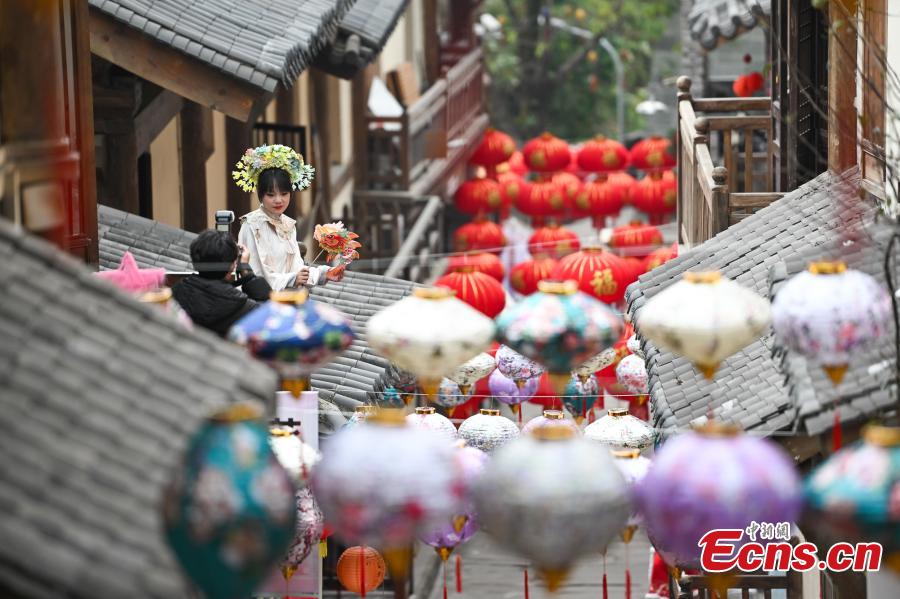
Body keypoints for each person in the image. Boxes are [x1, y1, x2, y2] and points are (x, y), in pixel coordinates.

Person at [234, 144, 344, 291]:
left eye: (284, 193)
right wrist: (292, 279)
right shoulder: (252, 225)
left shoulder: (287, 224)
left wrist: (324, 273)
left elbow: (297, 268)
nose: (278, 200)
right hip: (263, 303)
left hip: (289, 297)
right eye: (271, 195)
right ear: (260, 195)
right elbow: (257, 273)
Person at [172, 229, 271, 337]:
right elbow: (271, 314)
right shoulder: (243, 307)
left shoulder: (175, 295)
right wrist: (247, 273)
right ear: (233, 265)